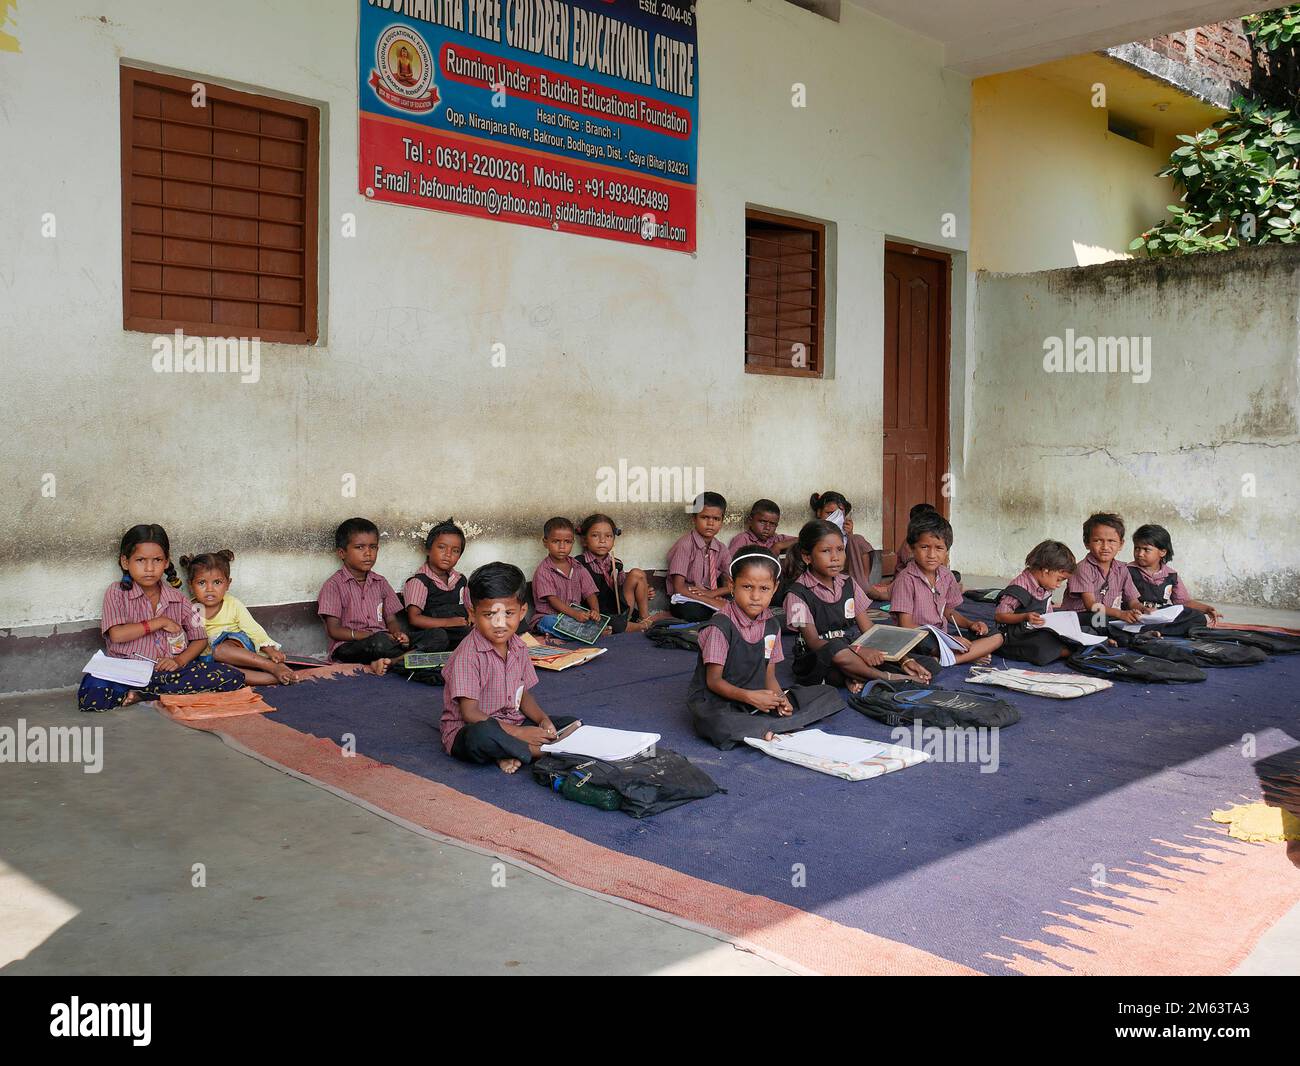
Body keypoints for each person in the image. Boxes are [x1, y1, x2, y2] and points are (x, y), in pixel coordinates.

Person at [687, 548, 843, 749]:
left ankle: (766, 726)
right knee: (719, 723)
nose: (755, 596)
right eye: (747, 587)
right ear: (732, 586)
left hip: (757, 697)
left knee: (827, 694)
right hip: (720, 701)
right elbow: (714, 681)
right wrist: (749, 697)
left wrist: (781, 700)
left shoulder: (772, 625)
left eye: (764, 588)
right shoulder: (721, 627)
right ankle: (769, 726)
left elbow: (770, 676)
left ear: (775, 588)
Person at [78, 524, 243, 712]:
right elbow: (117, 635)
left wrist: (179, 661)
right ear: (125, 562)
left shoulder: (178, 598)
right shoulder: (116, 592)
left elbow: (199, 637)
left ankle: (146, 694)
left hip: (168, 672)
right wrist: (159, 622)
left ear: (166, 562)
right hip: (126, 672)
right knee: (93, 693)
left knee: (230, 676)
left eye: (157, 560)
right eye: (140, 560)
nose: (149, 568)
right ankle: (160, 693)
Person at [441, 562, 578, 773]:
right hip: (471, 728)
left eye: (509, 613)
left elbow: (522, 695)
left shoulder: (519, 646)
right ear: (473, 612)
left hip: (511, 721)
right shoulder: (467, 655)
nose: (499, 623)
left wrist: (543, 720)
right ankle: (542, 750)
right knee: (481, 736)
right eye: (489, 615)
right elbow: (470, 713)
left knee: (572, 724)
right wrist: (519, 733)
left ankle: (512, 751)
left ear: (522, 611)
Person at [783, 520, 931, 691]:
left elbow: (868, 629)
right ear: (807, 557)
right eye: (825, 551)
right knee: (836, 651)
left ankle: (855, 675)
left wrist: (904, 660)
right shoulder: (797, 594)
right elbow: (814, 642)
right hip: (817, 660)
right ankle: (889, 679)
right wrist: (859, 650)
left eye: (840, 550)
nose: (835, 558)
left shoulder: (848, 583)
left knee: (923, 664)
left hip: (851, 650)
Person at [318, 517, 428, 674]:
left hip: (384, 640)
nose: (368, 553)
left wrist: (397, 634)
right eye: (360, 547)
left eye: (373, 547)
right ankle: (408, 659)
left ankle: (393, 661)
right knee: (379, 642)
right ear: (342, 553)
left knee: (438, 636)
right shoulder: (333, 585)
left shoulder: (380, 582)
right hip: (350, 646)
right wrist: (366, 635)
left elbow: (391, 620)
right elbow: (334, 630)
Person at [891, 513, 1003, 666]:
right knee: (928, 643)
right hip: (918, 639)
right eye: (924, 547)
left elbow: (948, 612)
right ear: (912, 548)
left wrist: (970, 624)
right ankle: (960, 656)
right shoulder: (906, 579)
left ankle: (951, 657)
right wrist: (947, 641)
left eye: (939, 548)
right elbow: (906, 626)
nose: (931, 555)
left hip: (944, 636)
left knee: (996, 637)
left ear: (946, 551)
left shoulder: (946, 576)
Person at [183, 549, 298, 685]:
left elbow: (253, 629)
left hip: (237, 648)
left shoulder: (232, 604)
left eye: (217, 582)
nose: (210, 589)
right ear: (191, 586)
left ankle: (271, 666)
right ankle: (276, 677)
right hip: (210, 658)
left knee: (220, 650)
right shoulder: (189, 609)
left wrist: (270, 650)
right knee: (223, 672)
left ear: (228, 584)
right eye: (202, 583)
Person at [573, 513, 667, 633]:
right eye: (595, 536)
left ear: (614, 540)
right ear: (584, 540)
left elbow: (623, 588)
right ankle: (641, 627)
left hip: (617, 608)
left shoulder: (616, 563)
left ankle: (644, 619)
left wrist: (643, 591)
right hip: (596, 612)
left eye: (608, 536)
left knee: (637, 574)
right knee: (612, 625)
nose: (602, 541)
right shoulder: (578, 564)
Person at [1060, 512, 1153, 629]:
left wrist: (1144, 610)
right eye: (1098, 540)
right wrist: (1120, 614)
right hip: (1079, 617)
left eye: (1111, 541)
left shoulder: (1122, 569)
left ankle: (1132, 635)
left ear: (1121, 544)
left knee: (1137, 619)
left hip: (1107, 616)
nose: (1105, 547)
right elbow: (1091, 606)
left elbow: (1132, 602)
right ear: (1087, 543)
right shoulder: (1083, 568)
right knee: (1101, 619)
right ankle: (1127, 637)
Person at [993, 540, 1078, 665]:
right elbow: (999, 616)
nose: (1059, 585)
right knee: (1041, 646)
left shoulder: (1046, 585)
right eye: (1059, 579)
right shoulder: (1020, 587)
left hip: (1037, 630)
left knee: (1078, 631)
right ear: (1045, 570)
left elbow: (1048, 614)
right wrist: (1025, 616)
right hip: (1016, 635)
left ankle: (1067, 648)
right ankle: (1067, 651)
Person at [1128, 523, 1220, 629]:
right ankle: (1150, 630)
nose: (1139, 553)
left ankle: (1153, 630)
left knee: (1198, 618)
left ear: (1162, 552)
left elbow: (1183, 601)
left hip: (1158, 616)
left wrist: (1207, 609)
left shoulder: (1171, 575)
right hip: (1134, 615)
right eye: (1137, 548)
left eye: (1146, 549)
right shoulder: (1127, 570)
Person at [404, 518, 473, 649]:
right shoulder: (419, 582)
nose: (448, 554)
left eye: (455, 550)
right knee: (439, 636)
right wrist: (449, 622)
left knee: (476, 632)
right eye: (442, 547)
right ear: (428, 550)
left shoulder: (461, 580)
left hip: (458, 631)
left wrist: (472, 615)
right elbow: (414, 619)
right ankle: (403, 661)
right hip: (430, 634)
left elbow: (470, 608)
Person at [808, 490, 890, 600]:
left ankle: (863, 584)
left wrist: (849, 534)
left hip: (851, 574)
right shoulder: (814, 530)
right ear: (819, 513)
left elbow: (854, 552)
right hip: (827, 574)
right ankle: (864, 589)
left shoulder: (845, 533)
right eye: (829, 513)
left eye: (838, 514)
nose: (834, 518)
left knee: (857, 539)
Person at [666, 491, 732, 621]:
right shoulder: (685, 545)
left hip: (710, 595)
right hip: (686, 598)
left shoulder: (721, 548)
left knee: (741, 602)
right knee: (692, 611)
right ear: (694, 518)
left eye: (716, 519)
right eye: (704, 517)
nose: (710, 523)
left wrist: (713, 594)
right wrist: (709, 600)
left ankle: (719, 613)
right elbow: (678, 588)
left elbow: (734, 584)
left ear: (722, 521)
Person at [531, 517, 601, 636]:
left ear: (573, 542)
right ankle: (588, 634)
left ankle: (585, 633)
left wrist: (595, 611)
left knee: (593, 620)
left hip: (576, 618)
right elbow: (552, 600)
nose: (562, 546)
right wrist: (575, 614)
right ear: (545, 542)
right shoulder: (544, 570)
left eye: (567, 542)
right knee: (550, 622)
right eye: (556, 541)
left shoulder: (577, 567)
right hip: (550, 616)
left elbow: (590, 592)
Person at [727, 499, 796, 557]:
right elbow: (730, 566)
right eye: (762, 522)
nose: (767, 527)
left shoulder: (777, 539)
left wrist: (778, 546)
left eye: (772, 524)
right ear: (750, 520)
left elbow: (803, 539)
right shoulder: (742, 540)